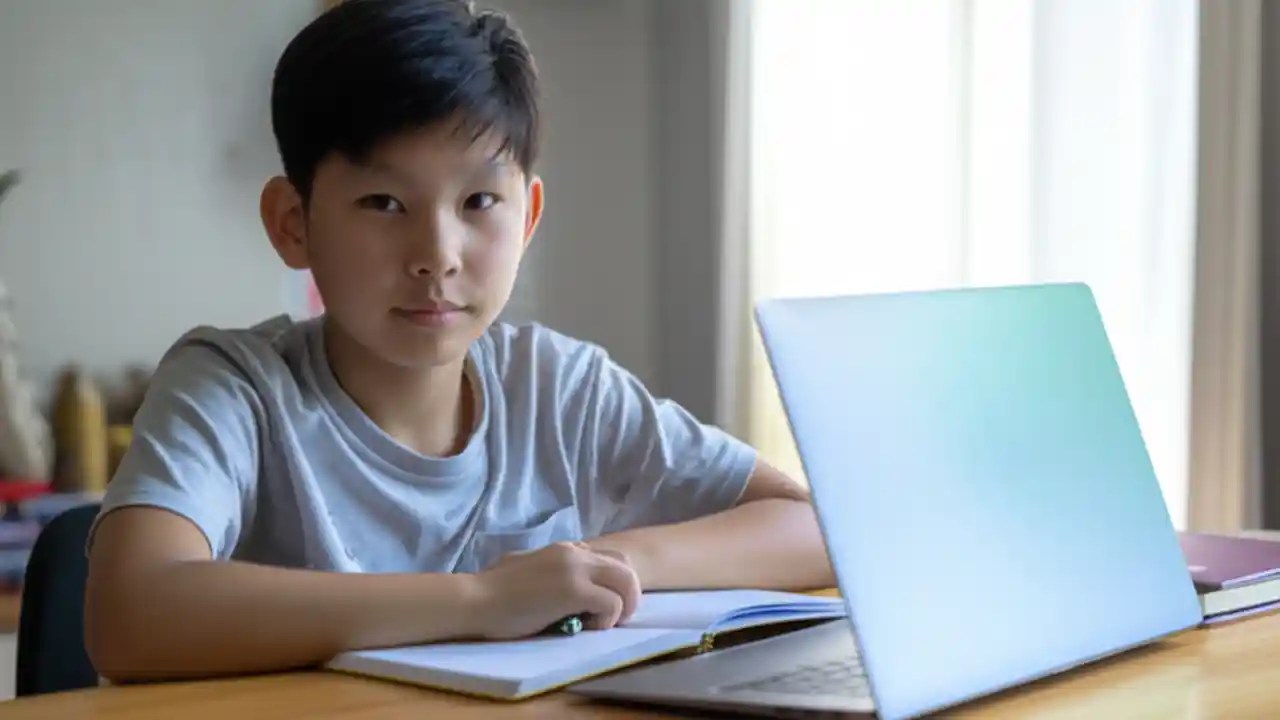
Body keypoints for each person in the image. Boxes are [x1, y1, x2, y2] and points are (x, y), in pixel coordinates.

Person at [84, 0, 832, 683]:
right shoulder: (234, 388)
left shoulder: (558, 388)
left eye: (479, 201)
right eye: (384, 202)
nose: (437, 255)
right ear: (293, 223)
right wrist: (482, 600)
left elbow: (817, 527)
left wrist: (601, 563)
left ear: (527, 217)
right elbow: (131, 614)